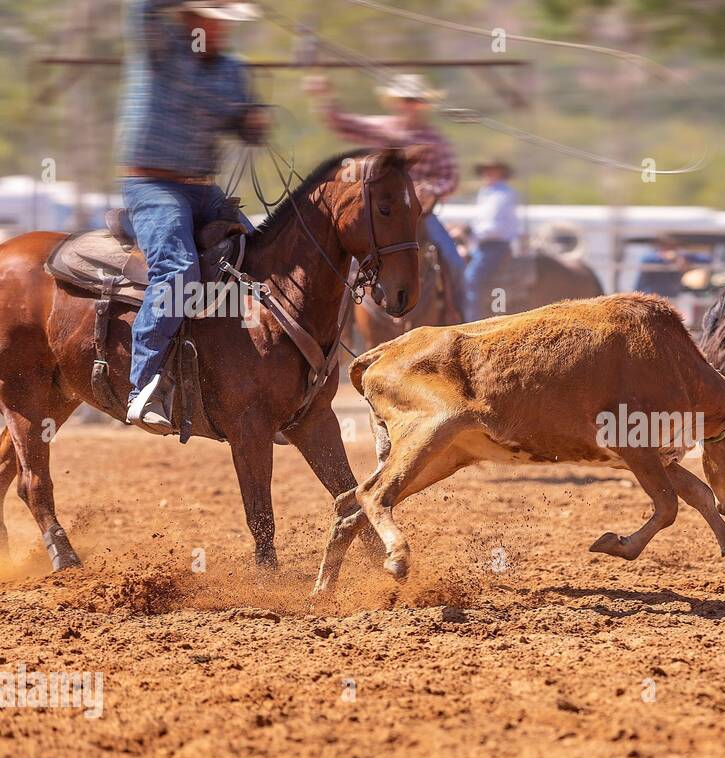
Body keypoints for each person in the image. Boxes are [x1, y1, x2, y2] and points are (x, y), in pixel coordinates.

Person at [116, 0, 268, 433]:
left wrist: (252, 123)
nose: (219, 30)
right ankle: (144, 385)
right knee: (179, 271)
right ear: (189, 19)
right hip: (153, 184)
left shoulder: (232, 71)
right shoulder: (160, 49)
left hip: (203, 189)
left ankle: (268, 378)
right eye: (211, 20)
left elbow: (242, 121)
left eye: (223, 23)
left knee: (266, 260)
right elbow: (140, 8)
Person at [304, 72, 466, 319]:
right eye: (405, 100)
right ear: (397, 104)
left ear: (423, 105)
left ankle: (460, 316)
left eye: (415, 100)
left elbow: (450, 177)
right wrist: (324, 97)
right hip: (381, 215)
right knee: (348, 265)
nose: (410, 105)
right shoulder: (384, 129)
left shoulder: (434, 141)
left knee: (454, 262)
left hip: (420, 216)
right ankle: (341, 324)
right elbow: (344, 124)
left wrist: (431, 190)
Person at [463, 160, 521, 321]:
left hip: (495, 246)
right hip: (482, 244)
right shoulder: (486, 193)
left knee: (471, 278)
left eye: (491, 170)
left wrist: (469, 232)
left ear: (501, 172)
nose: (487, 174)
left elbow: (495, 227)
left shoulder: (504, 194)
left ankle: (472, 322)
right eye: (485, 171)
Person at [634, 236, 710, 298]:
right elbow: (649, 260)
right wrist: (674, 258)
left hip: (670, 301)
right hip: (647, 301)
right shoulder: (650, 257)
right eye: (665, 244)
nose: (670, 247)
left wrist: (688, 263)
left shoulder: (682, 256)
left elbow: (707, 259)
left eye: (673, 244)